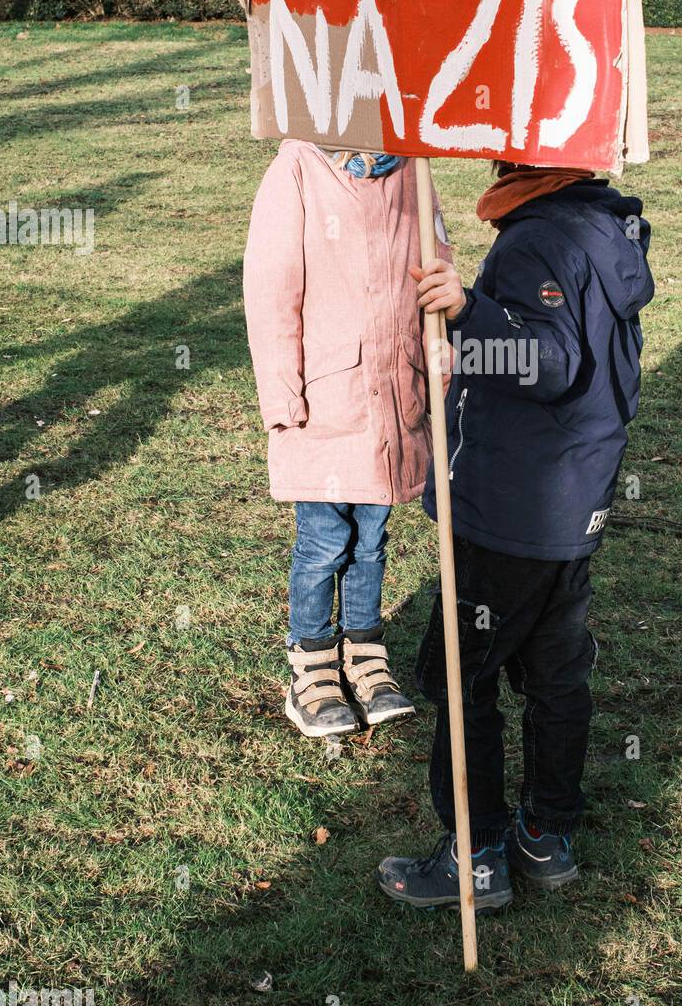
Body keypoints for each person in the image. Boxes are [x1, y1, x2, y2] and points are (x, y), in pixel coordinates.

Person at [377, 160, 654, 911]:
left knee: (460, 679)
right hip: (569, 504)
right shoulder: (603, 225)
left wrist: (468, 311)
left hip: (513, 506)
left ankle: (477, 856)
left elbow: (547, 361)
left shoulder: (537, 238)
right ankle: (547, 832)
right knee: (554, 675)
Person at [243, 141, 452, 739]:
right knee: (324, 540)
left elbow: (435, 263)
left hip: (393, 397)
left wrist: (437, 364)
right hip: (325, 403)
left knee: (372, 537)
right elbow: (270, 286)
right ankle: (310, 664)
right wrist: (284, 394)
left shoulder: (414, 166)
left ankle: (364, 652)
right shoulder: (299, 168)